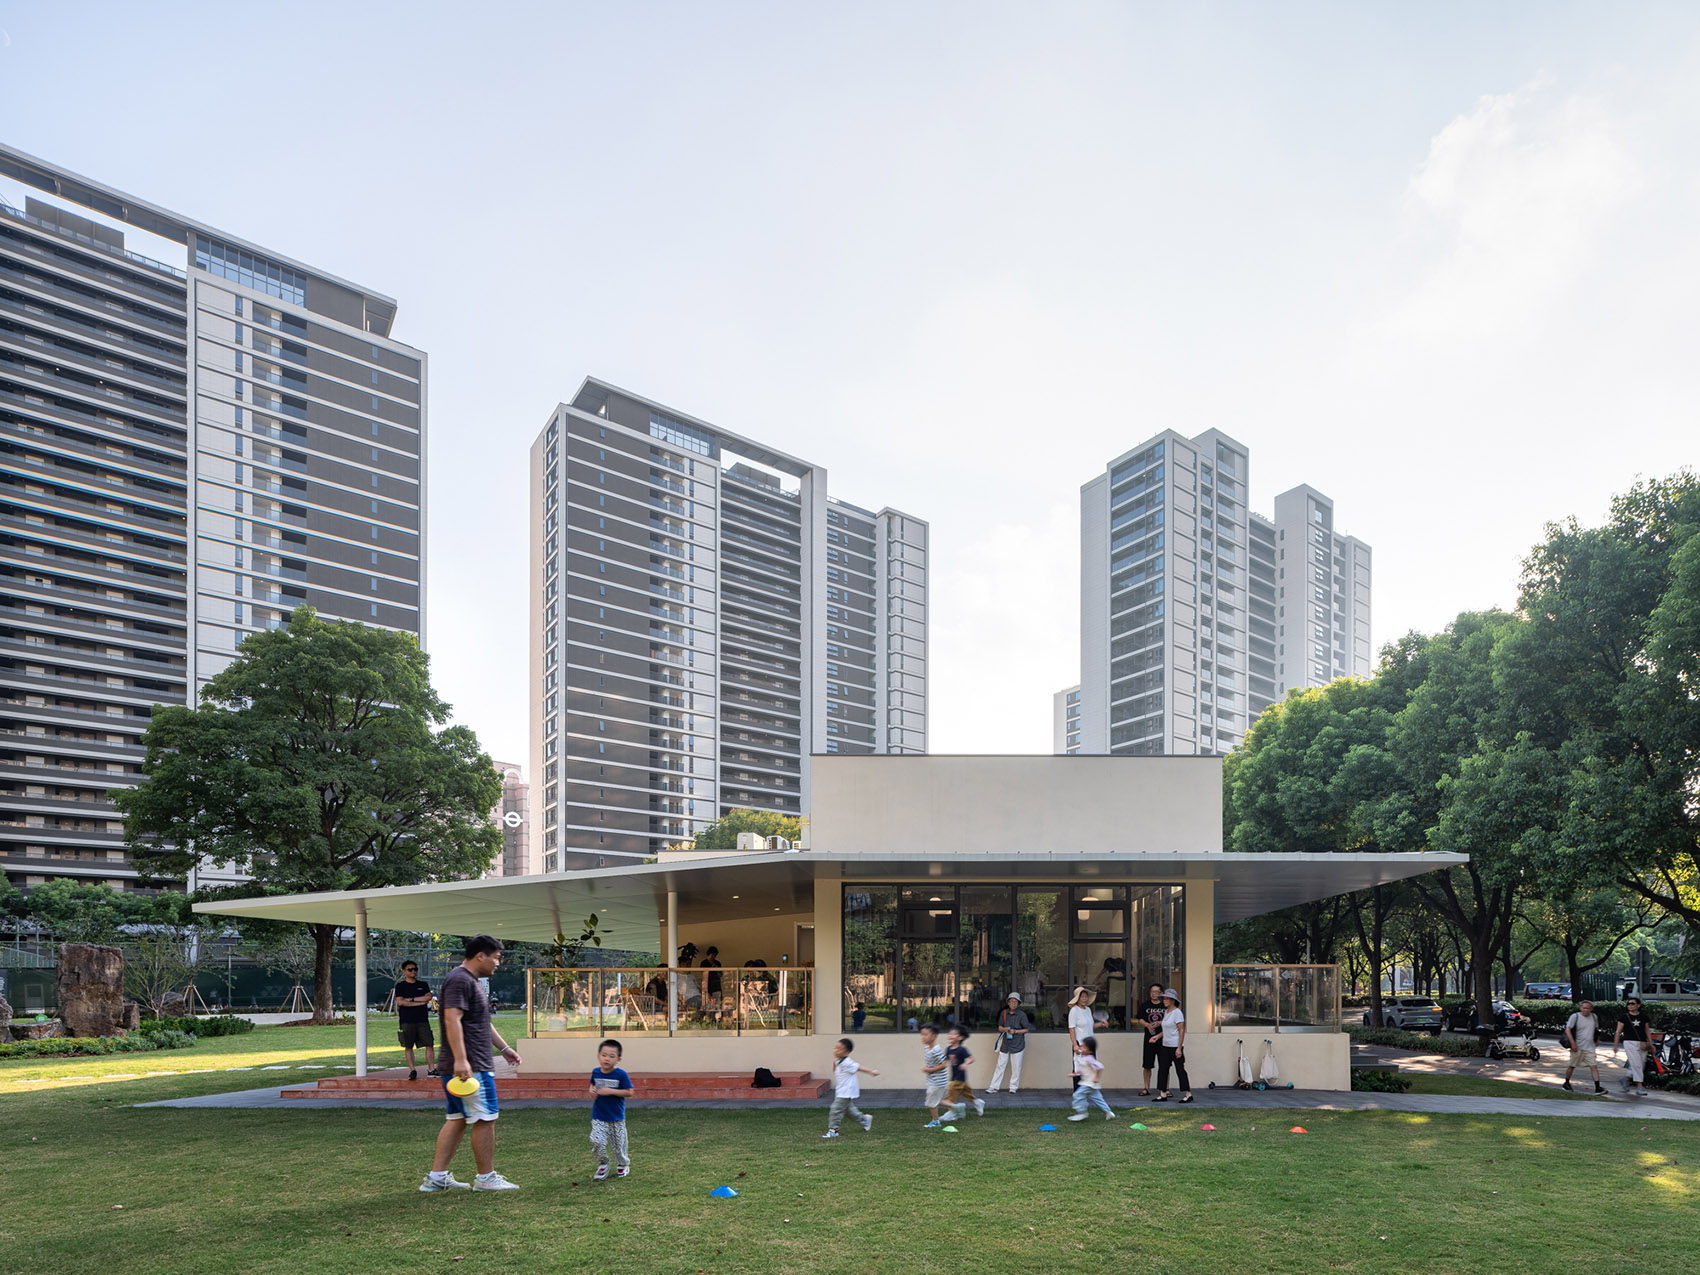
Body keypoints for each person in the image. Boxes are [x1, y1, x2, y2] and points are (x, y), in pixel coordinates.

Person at [420, 934, 523, 1192]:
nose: (497, 963)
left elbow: (482, 1022)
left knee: (457, 1118)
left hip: (469, 1062)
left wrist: (505, 1048)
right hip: (471, 1065)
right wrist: (462, 1060)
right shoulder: (459, 980)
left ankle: (436, 1178)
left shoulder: (472, 982)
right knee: (485, 1118)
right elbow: (451, 1019)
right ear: (481, 956)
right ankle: (486, 1178)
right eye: (496, 958)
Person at [588, 1038, 633, 1179]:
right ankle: (603, 1164)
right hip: (599, 1116)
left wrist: (611, 1091)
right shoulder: (596, 1072)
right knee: (597, 1140)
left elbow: (629, 1092)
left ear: (618, 1059)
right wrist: (592, 1091)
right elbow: (592, 1086)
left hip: (616, 1118)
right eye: (604, 1055)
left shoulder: (621, 1074)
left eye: (611, 1056)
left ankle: (622, 1165)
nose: (607, 1059)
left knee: (618, 1146)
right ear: (598, 1056)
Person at [823, 1037, 878, 1138]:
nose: (836, 1050)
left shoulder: (847, 1062)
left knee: (835, 1109)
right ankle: (864, 1119)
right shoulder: (837, 1061)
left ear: (847, 1053)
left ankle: (833, 1130)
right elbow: (836, 1070)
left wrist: (871, 1071)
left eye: (839, 1049)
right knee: (848, 1111)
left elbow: (858, 1067)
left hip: (846, 1091)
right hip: (841, 1090)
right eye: (835, 1048)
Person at [1147, 987, 1193, 1104]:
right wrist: (1157, 1037)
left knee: (1180, 1070)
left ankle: (1188, 1094)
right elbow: (1167, 1030)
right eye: (1164, 998)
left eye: (1167, 999)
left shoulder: (1177, 1013)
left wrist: (1179, 1048)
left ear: (1173, 1000)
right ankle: (1162, 1094)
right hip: (1165, 1046)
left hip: (1175, 1046)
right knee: (1163, 1069)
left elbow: (1181, 1030)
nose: (1164, 1001)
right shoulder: (1167, 1012)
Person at [393, 960, 435, 1082]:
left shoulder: (423, 984)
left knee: (429, 1044)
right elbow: (400, 1002)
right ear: (404, 971)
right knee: (408, 1046)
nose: (413, 971)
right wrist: (419, 1002)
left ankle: (431, 1069)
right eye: (410, 969)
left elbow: (428, 997)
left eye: (415, 969)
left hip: (422, 1020)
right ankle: (412, 1070)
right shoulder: (400, 986)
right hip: (407, 1020)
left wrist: (410, 1000)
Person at [986, 992, 1031, 1094]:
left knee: (1016, 1067)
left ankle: (1013, 1087)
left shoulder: (1022, 1015)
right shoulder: (1004, 1013)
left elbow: (1027, 1029)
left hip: (1018, 1044)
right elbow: (999, 1027)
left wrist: (1015, 1031)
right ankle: (993, 1087)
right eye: (1011, 1001)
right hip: (1005, 1044)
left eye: (1015, 1002)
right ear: (1008, 1002)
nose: (1013, 1003)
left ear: (1018, 1003)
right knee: (1000, 1065)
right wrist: (1005, 1029)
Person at [1613, 996, 1658, 1097]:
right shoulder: (1624, 1017)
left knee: (1640, 1064)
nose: (1630, 1005)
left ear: (1638, 1005)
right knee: (1636, 1064)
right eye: (1628, 1004)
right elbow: (1618, 1032)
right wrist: (1615, 1045)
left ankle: (1626, 1078)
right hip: (1629, 1042)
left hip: (1642, 1043)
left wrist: (1650, 1044)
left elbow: (1647, 1030)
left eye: (1632, 1003)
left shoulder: (1643, 1017)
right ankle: (1639, 1086)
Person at [938, 1026, 985, 1122]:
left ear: (960, 1038)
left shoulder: (961, 1049)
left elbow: (971, 1058)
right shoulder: (948, 1049)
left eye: (954, 1034)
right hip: (958, 1077)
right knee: (967, 1094)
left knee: (951, 1095)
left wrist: (965, 1063)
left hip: (958, 1078)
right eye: (950, 1033)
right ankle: (978, 1102)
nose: (950, 1035)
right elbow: (944, 1061)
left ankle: (952, 1113)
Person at [1562, 1000, 1605, 1094]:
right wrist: (1573, 1043)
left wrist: (1597, 1039)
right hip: (1578, 1046)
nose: (1586, 1010)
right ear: (1580, 1008)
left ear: (1591, 1009)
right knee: (1572, 1065)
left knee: (1593, 1066)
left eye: (1588, 1008)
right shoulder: (1575, 1016)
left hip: (1590, 1046)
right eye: (1584, 1008)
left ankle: (1597, 1087)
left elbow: (1596, 1029)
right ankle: (1566, 1082)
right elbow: (1568, 1030)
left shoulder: (1594, 1016)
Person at [1068, 1036, 1115, 1122]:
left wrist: (1097, 1077)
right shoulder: (1084, 1058)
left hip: (1089, 1083)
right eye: (1081, 1046)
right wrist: (1075, 1074)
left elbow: (1100, 1067)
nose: (1081, 1048)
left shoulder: (1089, 1059)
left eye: (1083, 1047)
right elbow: (1083, 1069)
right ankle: (1109, 1113)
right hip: (1089, 1083)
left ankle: (1082, 1112)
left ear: (1089, 1050)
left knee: (1077, 1095)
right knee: (1098, 1099)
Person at [1137, 983, 1167, 1097]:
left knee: (1164, 1064)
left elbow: (1170, 1021)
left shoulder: (1165, 1006)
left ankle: (1165, 1089)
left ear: (1161, 993)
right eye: (1152, 992)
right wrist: (1147, 1024)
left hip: (1163, 1039)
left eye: (1156, 992)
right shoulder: (1145, 1005)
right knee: (1147, 1065)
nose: (1154, 994)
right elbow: (1139, 1018)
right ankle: (1146, 1088)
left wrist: (1160, 1023)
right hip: (1149, 1038)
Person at [920, 1022, 950, 1127]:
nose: (922, 1037)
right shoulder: (927, 1048)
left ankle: (936, 1121)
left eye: (925, 1035)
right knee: (935, 1101)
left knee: (931, 1103)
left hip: (937, 1082)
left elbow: (944, 1064)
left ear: (934, 1036)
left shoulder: (936, 1050)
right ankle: (955, 1107)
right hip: (933, 1081)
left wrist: (929, 1070)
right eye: (922, 1034)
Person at [1067, 986, 1096, 1091]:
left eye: (1085, 997)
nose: (1084, 999)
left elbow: (1090, 1026)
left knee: (1090, 1068)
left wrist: (1101, 1024)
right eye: (1082, 997)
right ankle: (1078, 1092)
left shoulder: (1088, 1010)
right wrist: (1075, 1044)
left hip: (1090, 1044)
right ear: (1077, 998)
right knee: (1079, 1068)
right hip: (1080, 1044)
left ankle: (1088, 1091)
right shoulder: (1074, 1011)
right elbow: (1071, 1029)